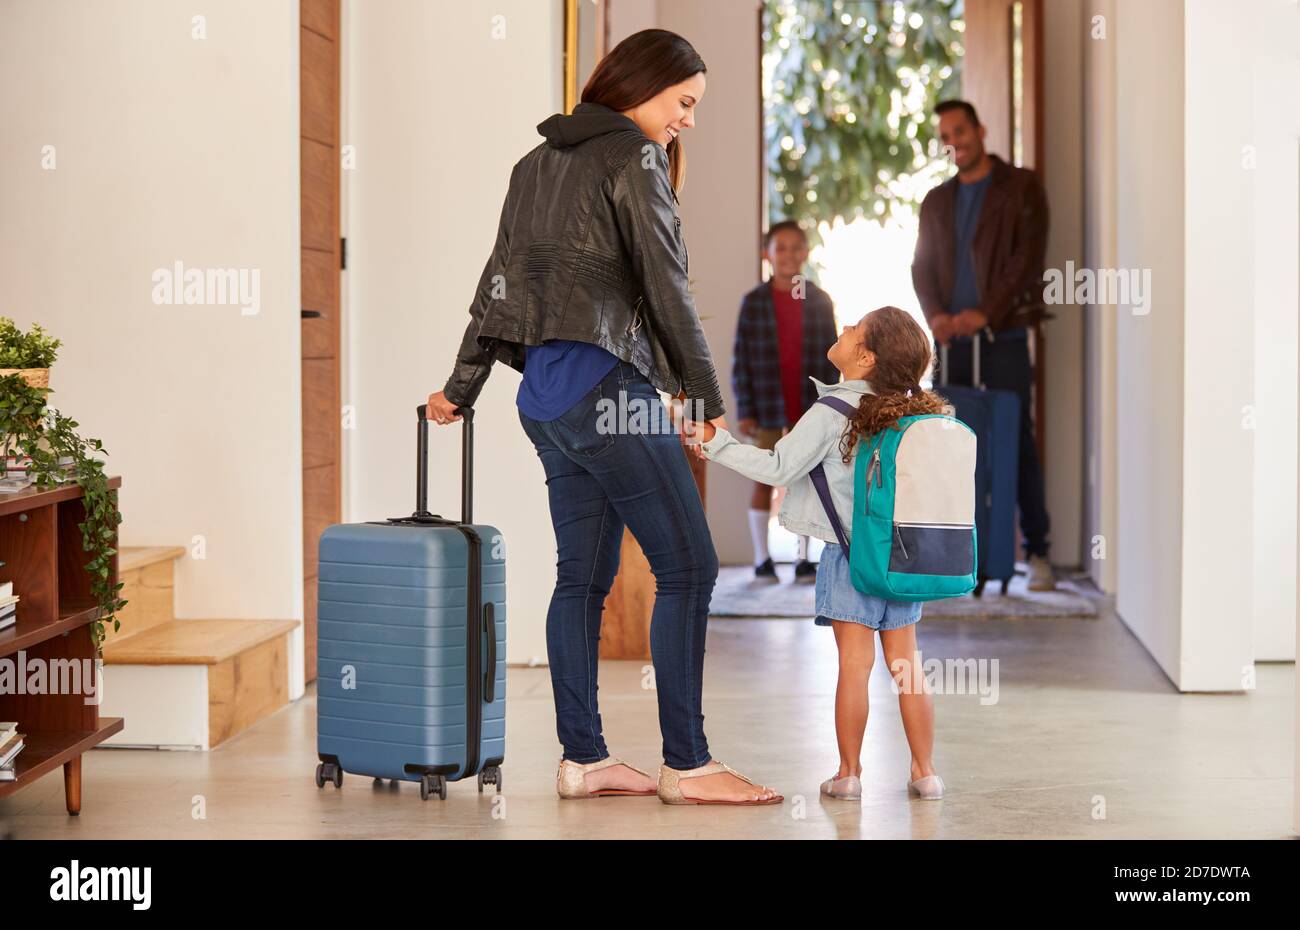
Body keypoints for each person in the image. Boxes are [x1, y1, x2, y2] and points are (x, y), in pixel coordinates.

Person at [426, 29, 781, 806]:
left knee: (579, 581)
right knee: (688, 567)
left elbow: (498, 285)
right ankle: (688, 765)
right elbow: (667, 290)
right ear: (642, 86)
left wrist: (460, 387)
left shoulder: (533, 164)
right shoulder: (633, 158)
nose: (687, 120)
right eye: (683, 103)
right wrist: (707, 403)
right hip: (609, 395)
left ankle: (583, 761)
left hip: (545, 402)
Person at [691, 307, 946, 801]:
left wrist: (715, 445)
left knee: (855, 665)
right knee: (906, 665)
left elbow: (778, 467)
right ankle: (925, 772)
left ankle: (848, 774)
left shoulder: (834, 410)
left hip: (850, 556)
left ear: (865, 357)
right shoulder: (910, 412)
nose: (845, 328)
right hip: (901, 556)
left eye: (855, 329)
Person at [911, 98, 1055, 591]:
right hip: (951, 343)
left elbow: (1026, 259)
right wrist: (937, 317)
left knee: (1017, 441)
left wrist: (983, 313)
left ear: (981, 129)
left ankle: (1037, 552)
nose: (954, 141)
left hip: (1004, 336)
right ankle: (960, 560)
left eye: (961, 130)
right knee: (953, 448)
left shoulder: (1022, 187)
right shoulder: (936, 200)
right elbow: (922, 266)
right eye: (946, 134)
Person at [732, 221, 839, 584]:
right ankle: (762, 560)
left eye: (796, 248)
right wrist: (745, 409)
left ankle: (803, 559)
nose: (789, 255)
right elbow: (741, 360)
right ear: (768, 254)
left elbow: (832, 358)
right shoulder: (754, 302)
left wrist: (831, 407)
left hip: (809, 407)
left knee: (807, 480)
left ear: (806, 254)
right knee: (763, 479)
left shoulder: (820, 301)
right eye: (781, 248)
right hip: (765, 407)